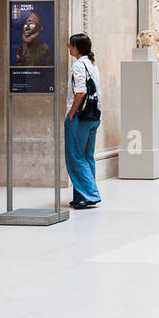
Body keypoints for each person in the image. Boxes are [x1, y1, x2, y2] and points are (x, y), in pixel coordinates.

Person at [65, 32, 102, 207]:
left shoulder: (79, 66)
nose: (68, 48)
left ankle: (90, 195)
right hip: (94, 116)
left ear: (76, 47)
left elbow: (80, 92)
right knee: (87, 157)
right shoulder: (92, 64)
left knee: (75, 157)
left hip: (80, 117)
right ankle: (81, 196)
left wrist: (71, 114)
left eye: (70, 45)